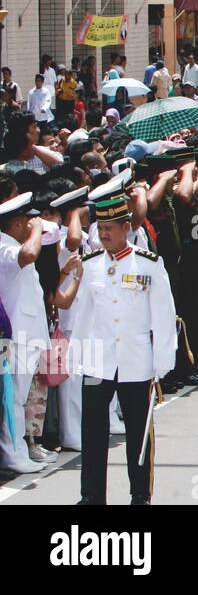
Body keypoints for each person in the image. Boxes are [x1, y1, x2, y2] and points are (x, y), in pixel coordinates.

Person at [75, 195, 177, 505]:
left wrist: (163, 359)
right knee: (93, 429)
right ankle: (92, 495)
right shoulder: (91, 265)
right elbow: (83, 315)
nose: (104, 234)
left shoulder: (148, 263)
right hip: (98, 360)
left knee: (138, 429)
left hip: (135, 359)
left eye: (109, 228)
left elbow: (163, 313)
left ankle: (140, 494)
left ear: (126, 227)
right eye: (100, 228)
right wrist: (78, 356)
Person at [0, 193, 52, 474]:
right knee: (14, 398)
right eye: (28, 222)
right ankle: (13, 453)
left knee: (19, 397)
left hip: (26, 333)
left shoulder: (12, 243)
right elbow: (29, 254)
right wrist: (34, 232)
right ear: (17, 223)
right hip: (15, 337)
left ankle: (18, 450)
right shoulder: (4, 246)